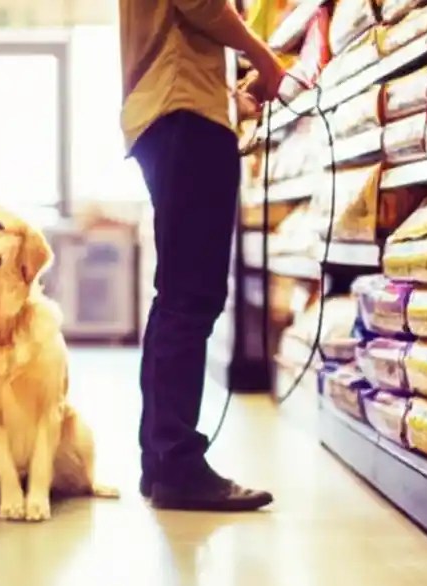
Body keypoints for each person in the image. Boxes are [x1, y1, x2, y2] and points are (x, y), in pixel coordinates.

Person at [121, 0, 283, 511]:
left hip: (165, 112)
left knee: (175, 298)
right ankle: (178, 466)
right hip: (185, 113)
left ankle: (162, 461)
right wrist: (267, 59)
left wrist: (230, 92)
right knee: (191, 298)